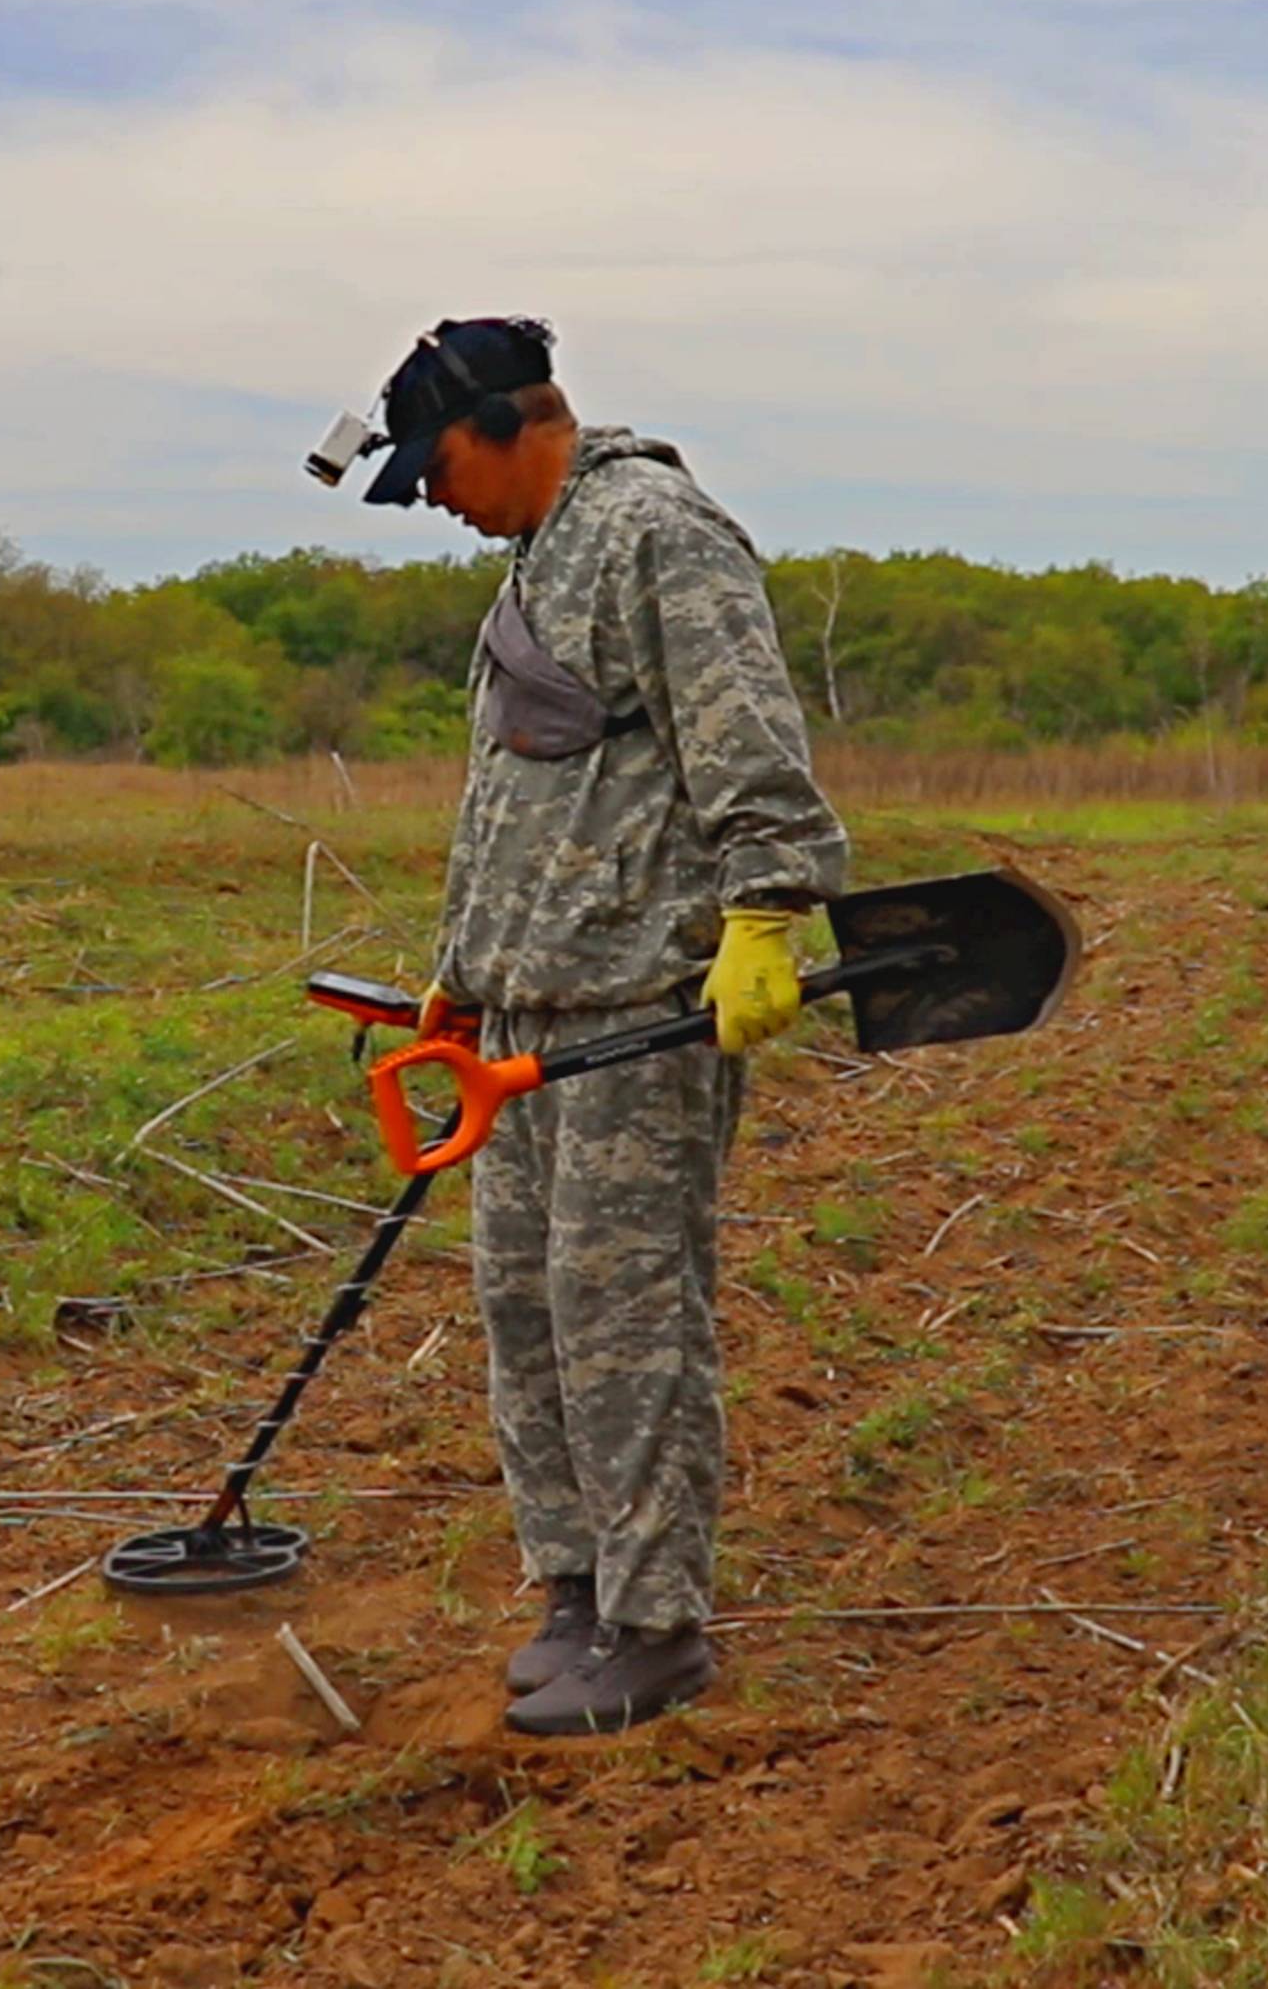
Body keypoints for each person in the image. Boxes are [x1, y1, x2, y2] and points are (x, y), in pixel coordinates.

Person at [331, 317, 845, 1736]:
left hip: (635, 1003)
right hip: (520, 1015)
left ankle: (658, 1619)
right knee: (527, 1310)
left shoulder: (656, 532)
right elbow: (517, 795)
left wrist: (766, 911)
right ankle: (574, 1584)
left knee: (625, 1316)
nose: (432, 499)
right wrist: (461, 965)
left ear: (515, 424)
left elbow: (747, 736)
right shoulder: (534, 561)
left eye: (437, 468)